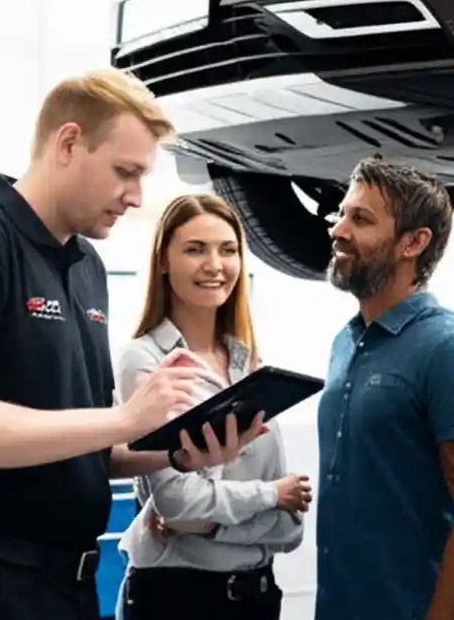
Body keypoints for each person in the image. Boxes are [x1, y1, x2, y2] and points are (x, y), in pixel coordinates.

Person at [0, 69, 267, 619]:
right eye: (126, 172)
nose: (137, 197)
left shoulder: (85, 266)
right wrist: (125, 420)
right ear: (68, 143)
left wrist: (175, 452)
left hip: (67, 587)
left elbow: (84, 448)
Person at [314, 156, 454, 620]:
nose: (338, 230)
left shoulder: (452, 350)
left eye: (361, 219)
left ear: (414, 242)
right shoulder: (346, 342)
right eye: (341, 214)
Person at [113, 193, 311, 620]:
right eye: (195, 249)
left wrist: (214, 523)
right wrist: (270, 496)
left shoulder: (247, 362)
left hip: (257, 595)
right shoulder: (147, 359)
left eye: (228, 250)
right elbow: (180, 506)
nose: (215, 265)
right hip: (178, 598)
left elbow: (291, 530)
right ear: (163, 260)